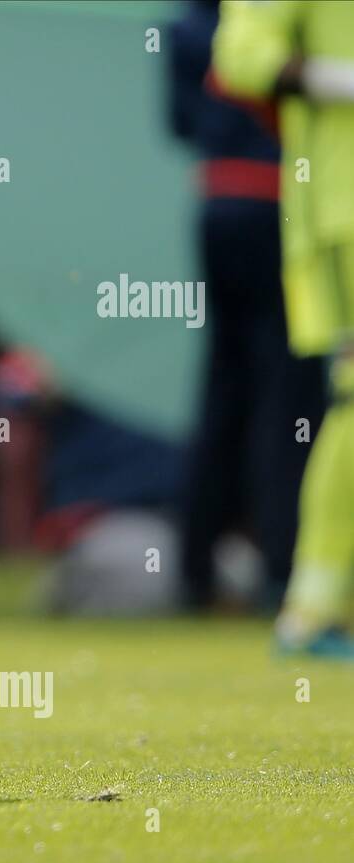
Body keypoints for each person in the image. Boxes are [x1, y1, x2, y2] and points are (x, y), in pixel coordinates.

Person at [214, 2, 354, 657]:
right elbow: (242, 54)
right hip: (342, 203)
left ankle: (314, 607)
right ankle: (311, 609)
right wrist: (341, 79)